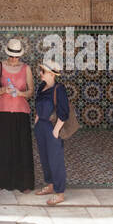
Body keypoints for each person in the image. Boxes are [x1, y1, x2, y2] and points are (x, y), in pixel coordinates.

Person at [0, 37, 34, 193]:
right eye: (12, 56)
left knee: (22, 147)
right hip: (4, 111)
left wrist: (20, 93)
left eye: (17, 56)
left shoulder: (26, 68)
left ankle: (24, 183)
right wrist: (4, 90)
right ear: (8, 53)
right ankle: (0, 181)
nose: (14, 59)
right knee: (3, 146)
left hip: (21, 111)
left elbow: (31, 91)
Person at [33, 57, 70, 206]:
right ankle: (50, 185)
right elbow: (37, 104)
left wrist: (56, 131)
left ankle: (60, 193)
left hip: (52, 127)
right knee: (44, 157)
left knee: (56, 160)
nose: (40, 73)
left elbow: (64, 112)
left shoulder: (59, 89)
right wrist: (36, 120)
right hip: (41, 126)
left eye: (43, 71)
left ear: (51, 74)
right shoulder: (42, 86)